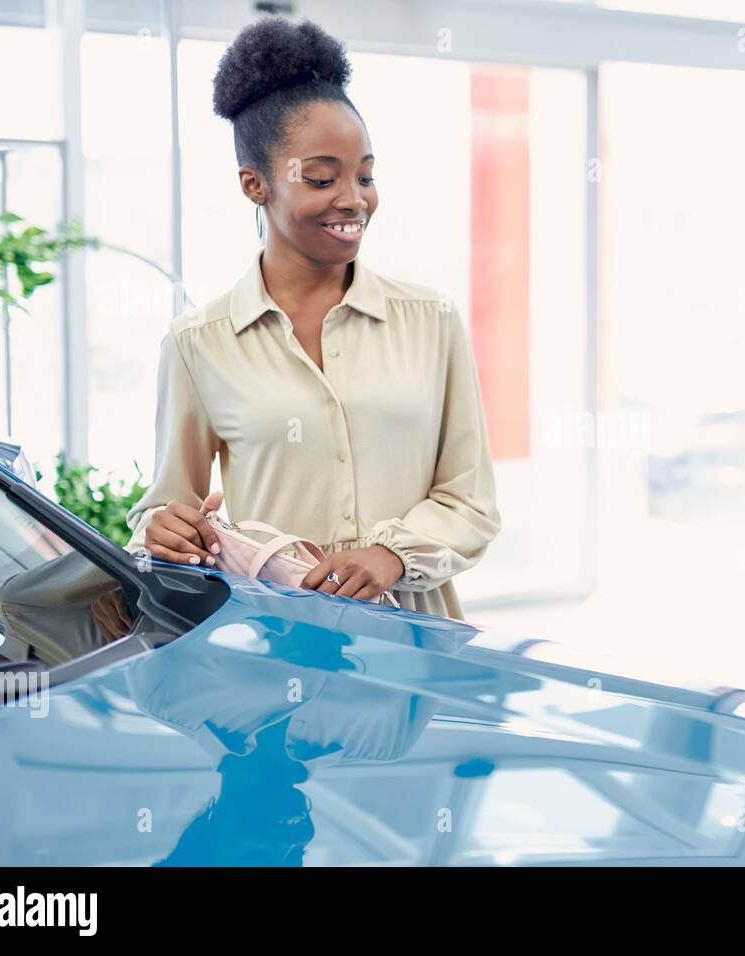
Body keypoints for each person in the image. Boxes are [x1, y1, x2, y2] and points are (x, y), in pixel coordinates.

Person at [125, 17, 501, 620]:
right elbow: (166, 508)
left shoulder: (431, 322)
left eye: (366, 175)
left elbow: (471, 499)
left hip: (419, 645)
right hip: (273, 644)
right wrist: (162, 530)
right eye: (323, 178)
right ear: (255, 185)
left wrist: (391, 555)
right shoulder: (200, 345)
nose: (354, 198)